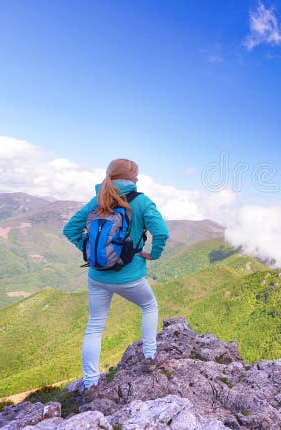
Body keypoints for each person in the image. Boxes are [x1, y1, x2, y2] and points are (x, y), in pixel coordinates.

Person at [63, 158, 169, 398]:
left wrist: (89, 251)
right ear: (132, 178)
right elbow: (162, 232)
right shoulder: (141, 201)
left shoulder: (98, 199)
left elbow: (69, 230)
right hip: (129, 276)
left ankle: (90, 384)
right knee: (149, 306)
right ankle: (150, 357)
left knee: (95, 326)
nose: (138, 179)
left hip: (97, 275)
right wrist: (154, 254)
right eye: (137, 175)